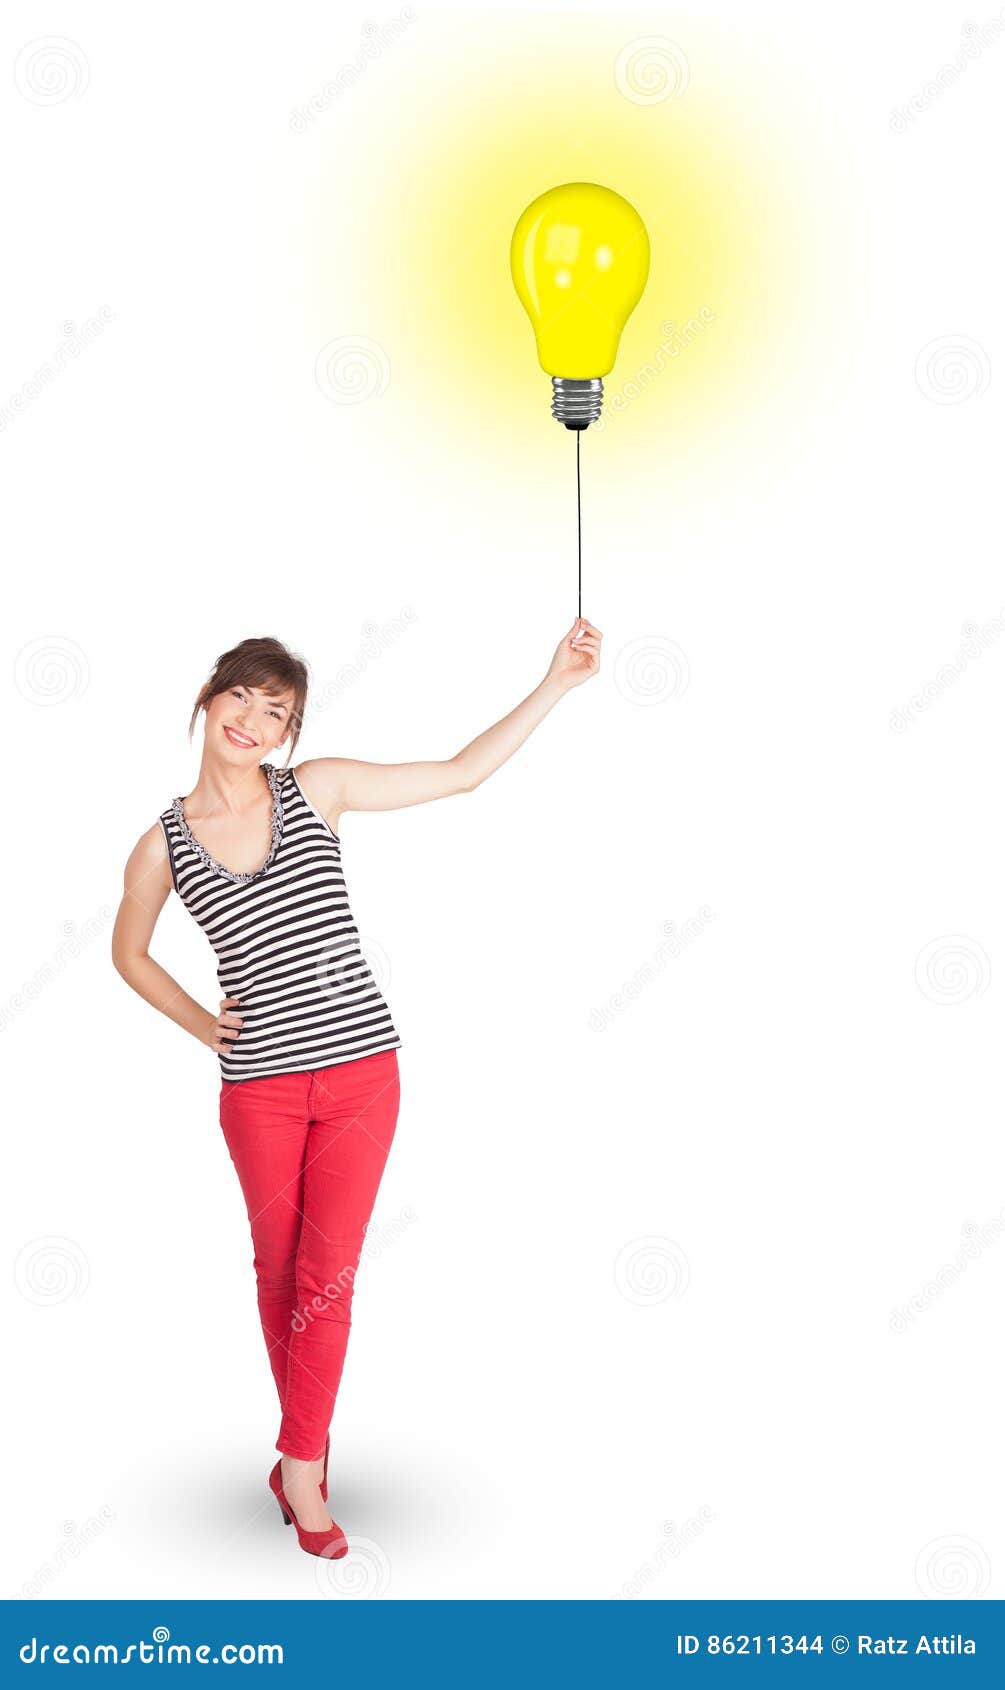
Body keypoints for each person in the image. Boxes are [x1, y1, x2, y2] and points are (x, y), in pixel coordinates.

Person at [111, 617, 602, 1557]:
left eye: (277, 710)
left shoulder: (318, 789)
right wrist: (201, 1022)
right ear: (209, 700)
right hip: (256, 1089)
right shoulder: (162, 844)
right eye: (242, 697)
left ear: (290, 733)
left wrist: (555, 684)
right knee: (277, 1273)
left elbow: (458, 773)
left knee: (325, 1278)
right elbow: (127, 953)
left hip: (360, 1077)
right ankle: (307, 1448)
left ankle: (301, 1465)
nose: (254, 719)